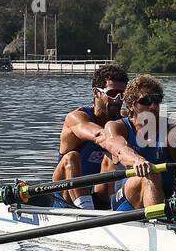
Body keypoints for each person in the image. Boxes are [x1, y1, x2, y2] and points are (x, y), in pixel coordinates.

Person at [102, 74, 176, 210]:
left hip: (165, 196)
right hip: (127, 201)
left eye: (157, 100)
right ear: (131, 105)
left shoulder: (172, 127)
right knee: (151, 172)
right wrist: (137, 160)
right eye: (146, 101)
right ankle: (159, 222)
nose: (153, 106)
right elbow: (120, 149)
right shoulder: (116, 127)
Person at [51, 64, 128, 209]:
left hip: (98, 193)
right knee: (72, 157)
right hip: (65, 195)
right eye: (112, 94)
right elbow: (99, 135)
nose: (118, 100)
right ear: (96, 92)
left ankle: (115, 209)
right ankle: (86, 210)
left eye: (122, 95)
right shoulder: (76, 118)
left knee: (112, 158)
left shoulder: (122, 120)